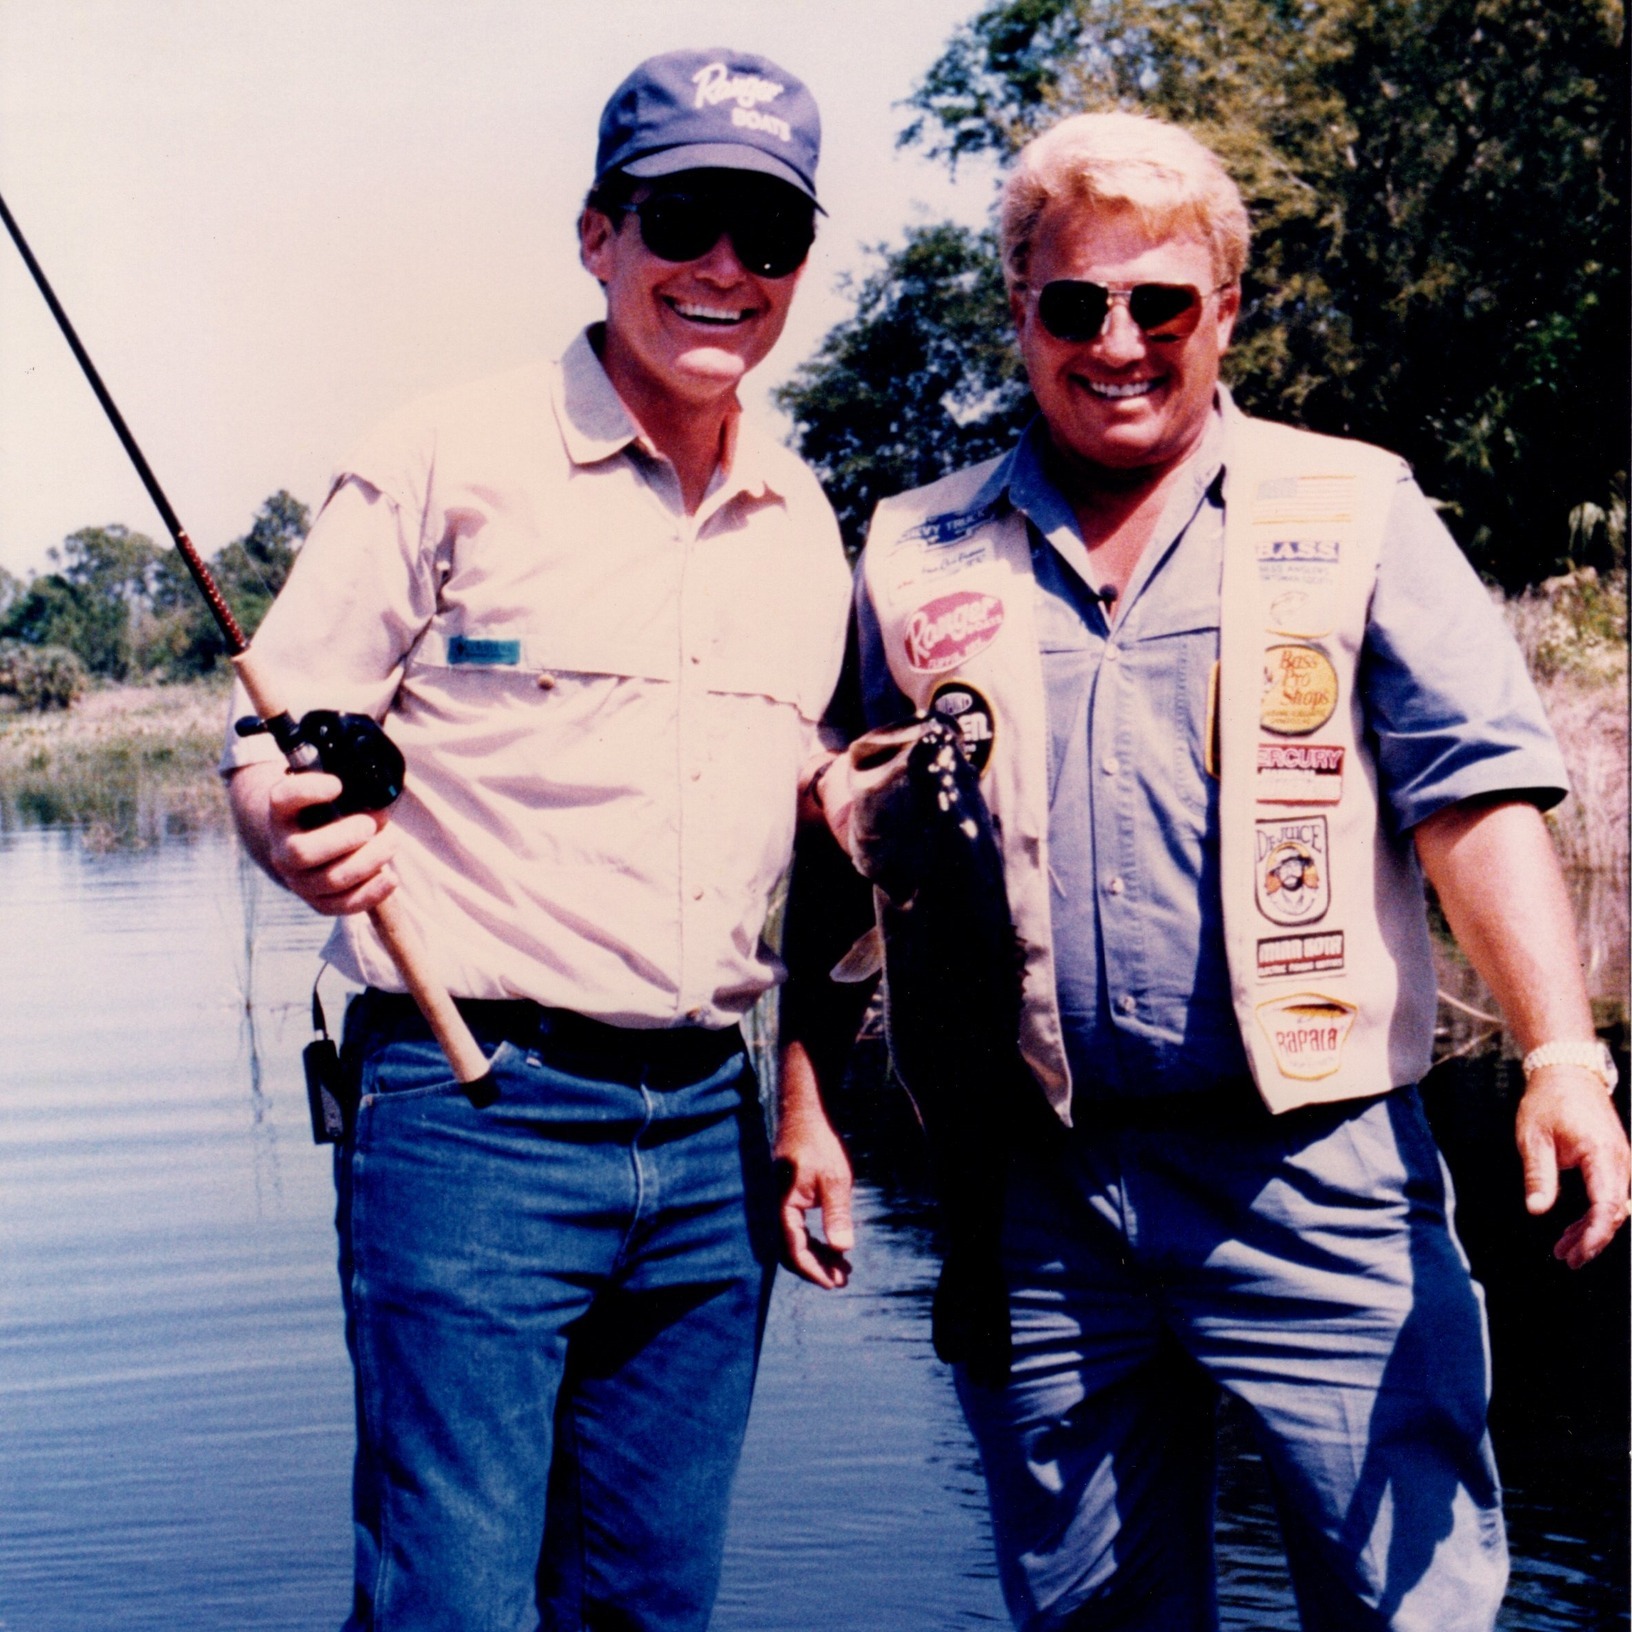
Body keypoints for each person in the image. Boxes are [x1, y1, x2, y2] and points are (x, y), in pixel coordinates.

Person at [777, 110, 1630, 1630]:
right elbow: (841, 854)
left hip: (1319, 1176)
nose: (1119, 342)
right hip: (1032, 1196)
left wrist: (1564, 1053)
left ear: (1225, 311)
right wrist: (806, 1101)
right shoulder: (914, 547)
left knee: (1409, 1610)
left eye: (1161, 303)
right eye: (1073, 304)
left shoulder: (1351, 504)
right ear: (1020, 314)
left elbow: (1475, 798)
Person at [223, 48, 851, 1631]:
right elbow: (270, 736)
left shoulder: (809, 515)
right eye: (685, 219)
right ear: (598, 235)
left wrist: (805, 1110)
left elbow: (824, 835)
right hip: (471, 1109)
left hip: (715, 1134)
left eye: (766, 238)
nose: (724, 270)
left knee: (651, 1604)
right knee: (452, 1602)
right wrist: (303, 834)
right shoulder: (447, 455)